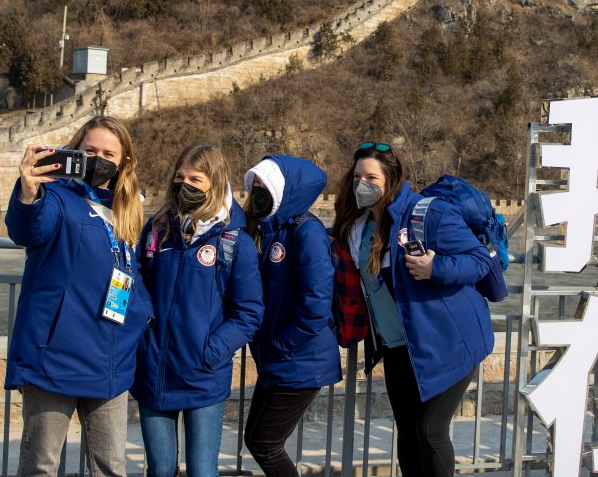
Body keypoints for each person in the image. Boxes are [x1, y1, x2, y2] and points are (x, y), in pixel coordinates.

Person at [330, 142, 494, 477]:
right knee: (408, 430)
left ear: (391, 179)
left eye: (372, 177)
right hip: (397, 346)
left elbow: (479, 261)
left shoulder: (428, 214)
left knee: (430, 430)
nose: (363, 183)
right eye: (358, 176)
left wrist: (437, 268)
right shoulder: (358, 224)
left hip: (446, 341)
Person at [5, 116, 152, 477]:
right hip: (55, 356)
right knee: (41, 464)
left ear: (124, 162)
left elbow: (131, 273)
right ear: (75, 151)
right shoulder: (55, 195)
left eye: (108, 153)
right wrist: (28, 194)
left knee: (110, 467)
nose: (98, 159)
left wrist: (141, 315)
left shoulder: (127, 208)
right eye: (90, 151)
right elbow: (29, 228)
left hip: (110, 358)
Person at [133, 145, 264, 477]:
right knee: (160, 470)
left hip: (203, 375)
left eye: (195, 178)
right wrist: (142, 334)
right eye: (180, 177)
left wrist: (211, 351)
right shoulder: (157, 229)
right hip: (154, 372)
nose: (185, 184)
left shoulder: (235, 242)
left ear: (214, 183)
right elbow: (134, 282)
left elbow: (248, 313)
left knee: (203, 471)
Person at [241, 155, 342, 477]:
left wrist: (281, 346)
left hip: (298, 358)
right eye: (253, 186)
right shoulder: (269, 229)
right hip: (279, 358)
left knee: (264, 443)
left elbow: (316, 304)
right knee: (258, 440)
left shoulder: (305, 232)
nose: (257, 192)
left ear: (285, 191)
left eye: (264, 186)